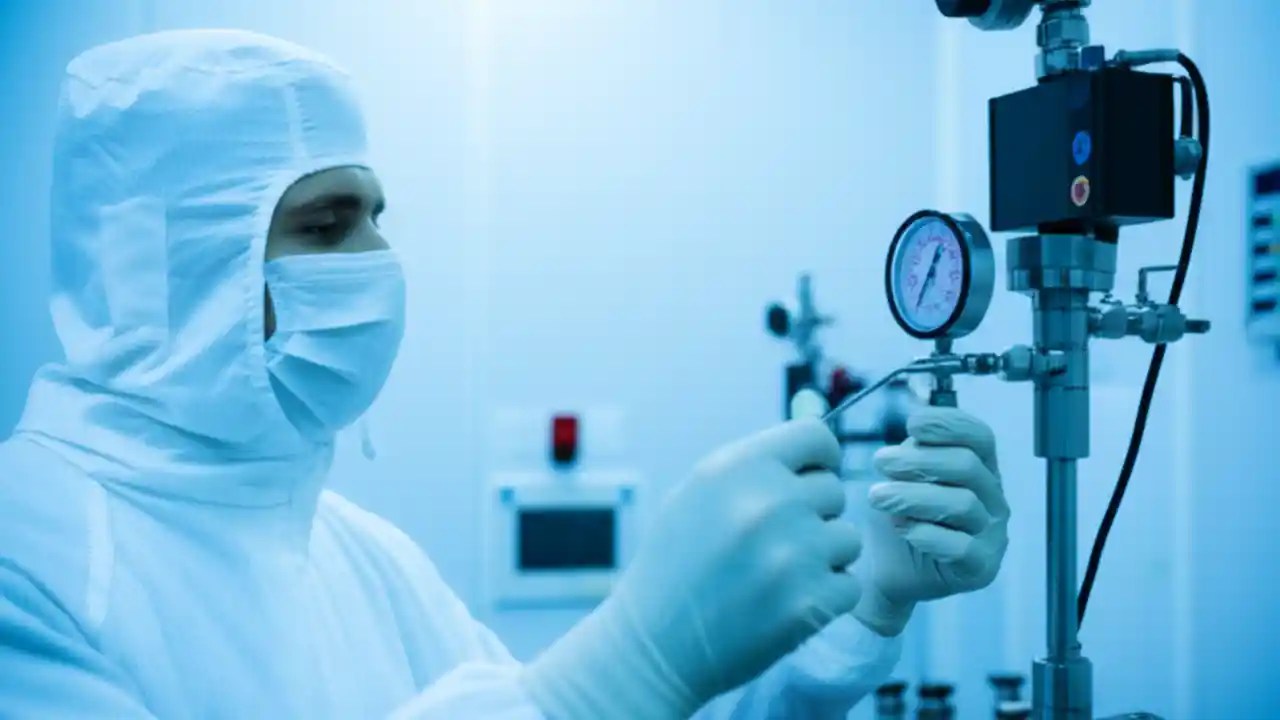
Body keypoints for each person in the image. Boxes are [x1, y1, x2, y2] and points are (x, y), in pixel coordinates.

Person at [0, 30, 1010, 719]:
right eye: (322, 224)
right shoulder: (27, 558)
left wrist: (862, 606)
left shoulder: (356, 554)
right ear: (164, 269)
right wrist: (622, 663)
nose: (374, 264)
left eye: (375, 216)